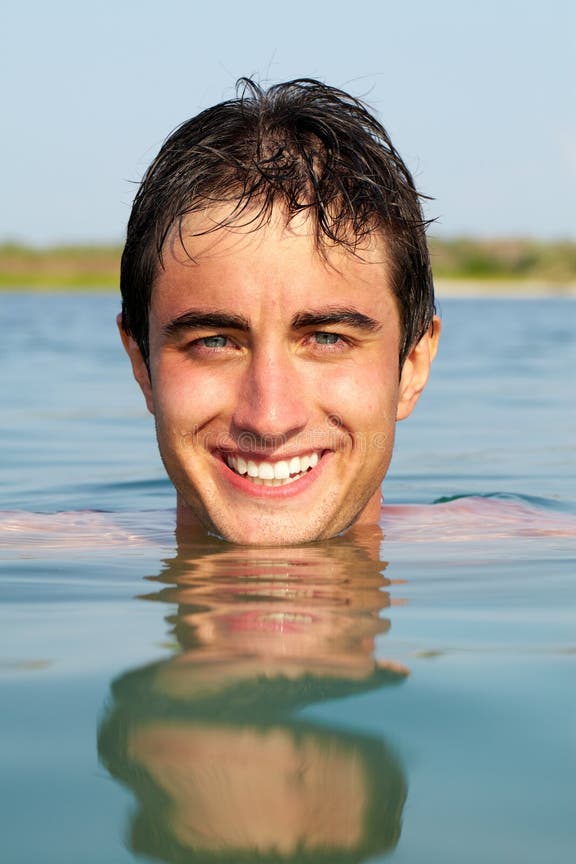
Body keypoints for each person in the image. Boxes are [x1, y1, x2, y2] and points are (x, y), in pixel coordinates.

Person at [119, 78, 440, 546]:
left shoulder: (532, 550)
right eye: (214, 342)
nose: (269, 418)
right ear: (141, 365)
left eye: (328, 338)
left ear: (411, 367)